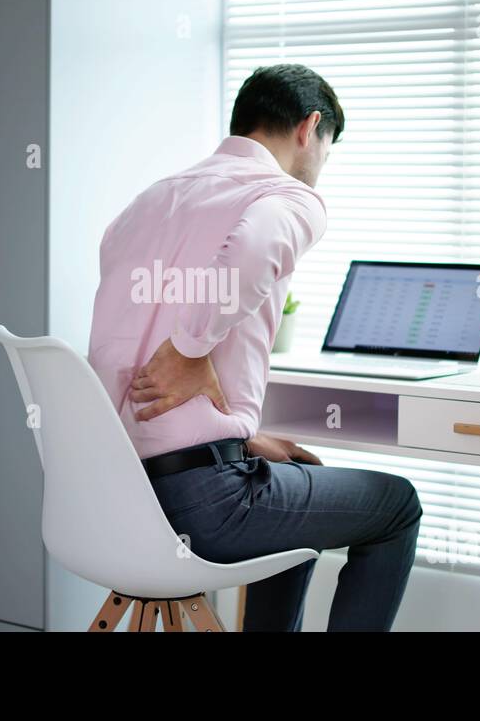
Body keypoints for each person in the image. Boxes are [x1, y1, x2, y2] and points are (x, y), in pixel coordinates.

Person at [87, 64, 422, 631]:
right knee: (397, 505)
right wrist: (191, 349)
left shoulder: (149, 201)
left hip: (119, 502)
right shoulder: (285, 196)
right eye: (327, 148)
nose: (321, 166)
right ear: (309, 128)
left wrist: (241, 434)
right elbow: (255, 246)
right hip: (204, 506)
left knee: (293, 485)